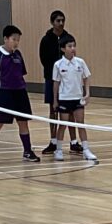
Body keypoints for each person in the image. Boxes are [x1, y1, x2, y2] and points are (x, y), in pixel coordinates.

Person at [0, 25, 40, 167]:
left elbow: (21, 73)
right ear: (5, 39)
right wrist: (2, 88)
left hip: (20, 92)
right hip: (4, 93)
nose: (16, 42)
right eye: (14, 39)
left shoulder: (18, 55)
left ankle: (27, 151)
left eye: (18, 40)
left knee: (23, 122)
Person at [50, 34, 97, 162]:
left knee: (81, 124)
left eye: (74, 46)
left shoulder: (80, 62)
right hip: (64, 99)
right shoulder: (58, 65)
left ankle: (86, 150)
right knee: (63, 125)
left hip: (78, 98)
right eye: (69, 46)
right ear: (63, 49)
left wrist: (87, 93)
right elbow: (56, 83)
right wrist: (55, 100)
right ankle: (59, 150)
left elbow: (86, 78)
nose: (73, 48)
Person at [39, 10, 78, 154]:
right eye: (58, 21)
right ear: (52, 22)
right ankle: (53, 141)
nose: (61, 23)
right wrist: (55, 73)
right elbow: (43, 59)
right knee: (53, 109)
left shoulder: (68, 38)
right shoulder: (46, 40)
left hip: (68, 80)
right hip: (52, 79)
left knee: (71, 111)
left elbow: (73, 56)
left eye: (63, 20)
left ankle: (74, 142)